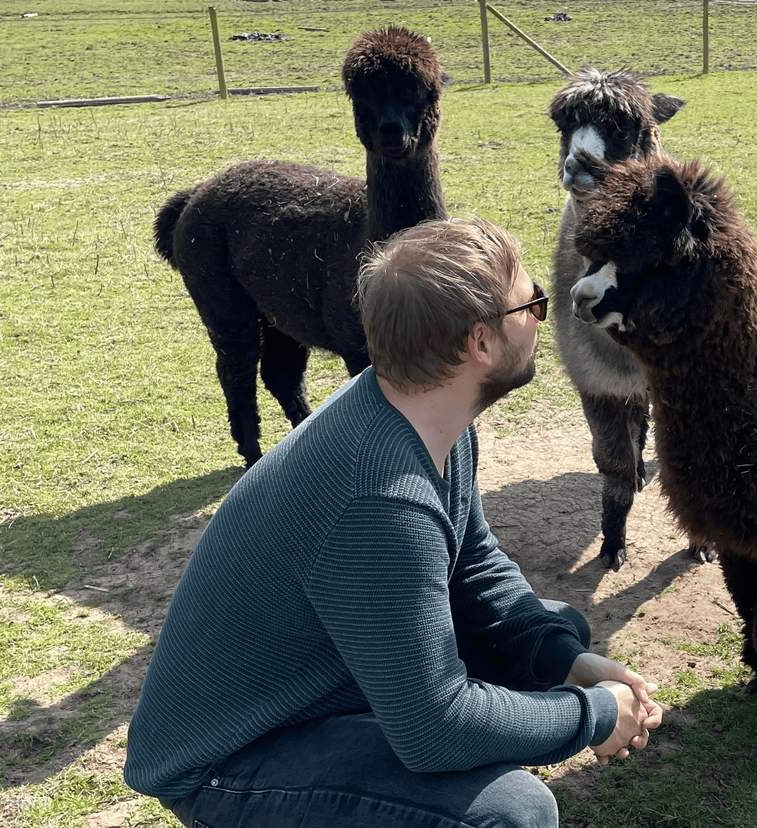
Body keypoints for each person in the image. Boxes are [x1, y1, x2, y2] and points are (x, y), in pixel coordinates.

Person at [124, 218, 663, 827]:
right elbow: (434, 730)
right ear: (479, 344)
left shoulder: (422, 413)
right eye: (532, 303)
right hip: (229, 763)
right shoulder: (380, 499)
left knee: (549, 633)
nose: (541, 318)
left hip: (313, 696)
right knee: (509, 814)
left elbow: (476, 569)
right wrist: (588, 716)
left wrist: (567, 664)